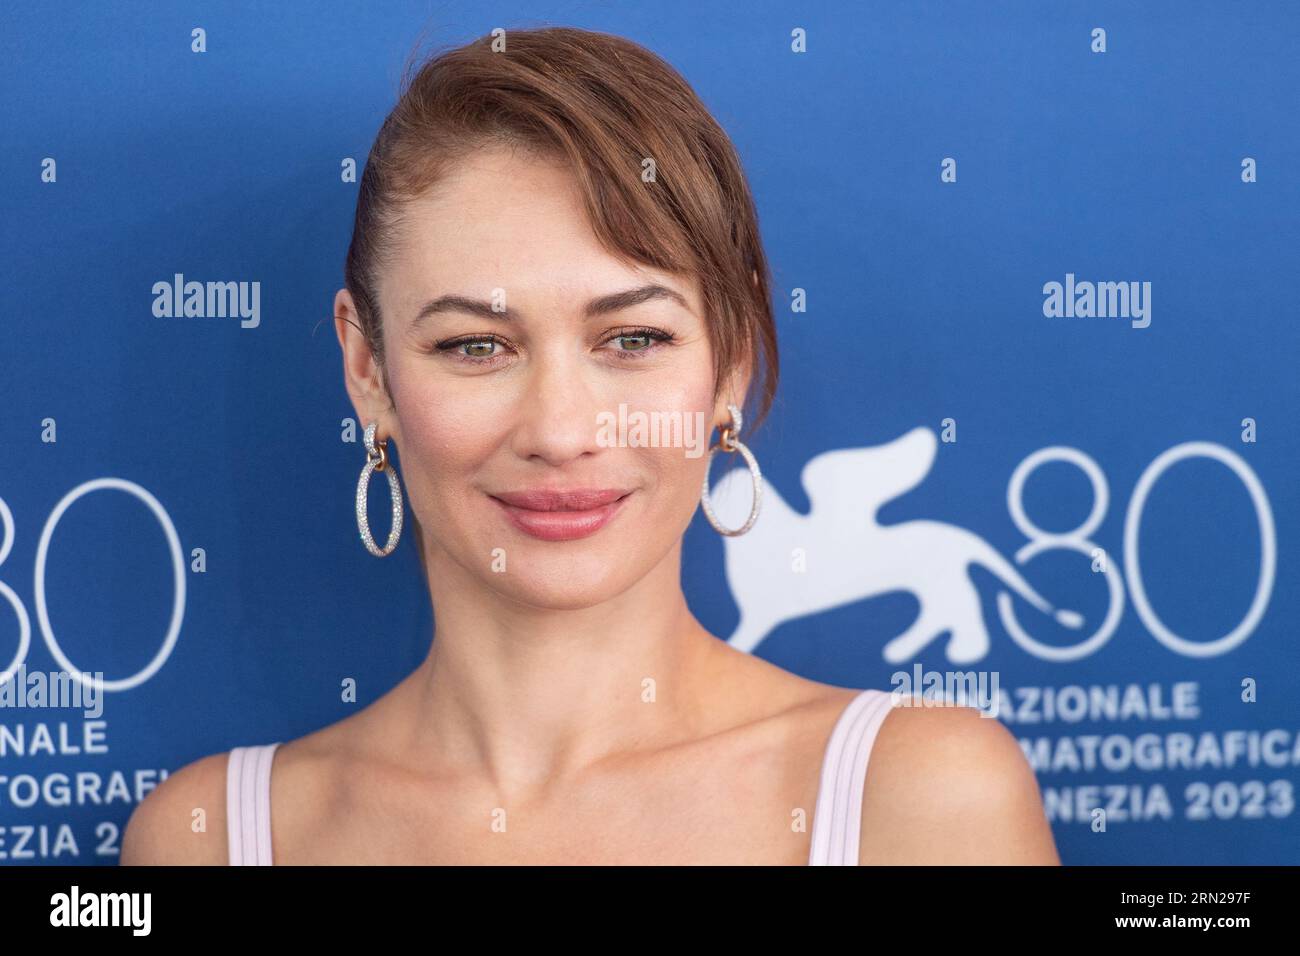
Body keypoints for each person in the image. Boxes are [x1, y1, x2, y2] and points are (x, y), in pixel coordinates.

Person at [121, 25, 1060, 865]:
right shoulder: (211, 840)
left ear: (728, 363)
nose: (563, 433)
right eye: (476, 346)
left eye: (633, 340)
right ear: (368, 371)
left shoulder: (922, 801)